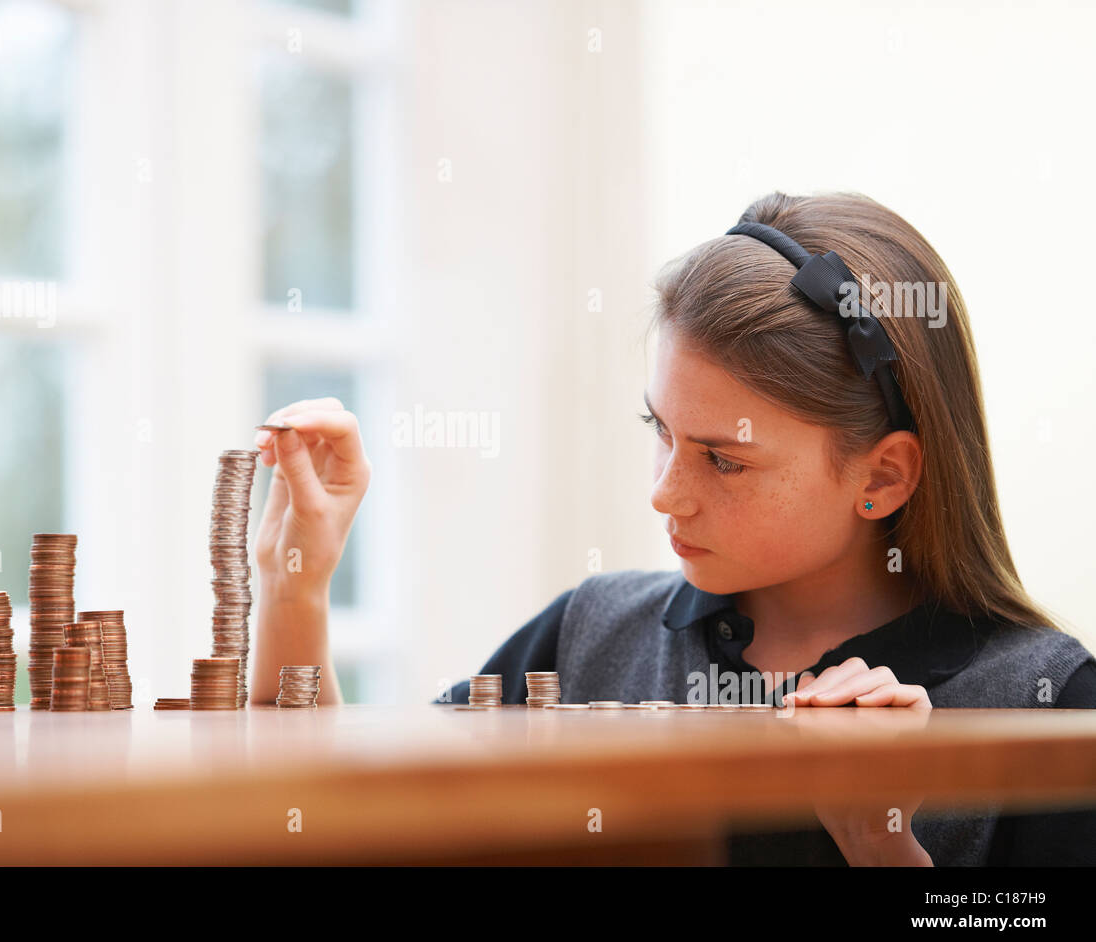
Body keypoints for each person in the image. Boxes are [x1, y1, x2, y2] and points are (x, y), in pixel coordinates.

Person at [250, 191, 1096, 866]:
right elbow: (332, 826)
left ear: (881, 476)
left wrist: (882, 850)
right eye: (658, 429)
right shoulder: (588, 634)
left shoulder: (1050, 703)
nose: (665, 494)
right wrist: (297, 588)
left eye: (722, 459)